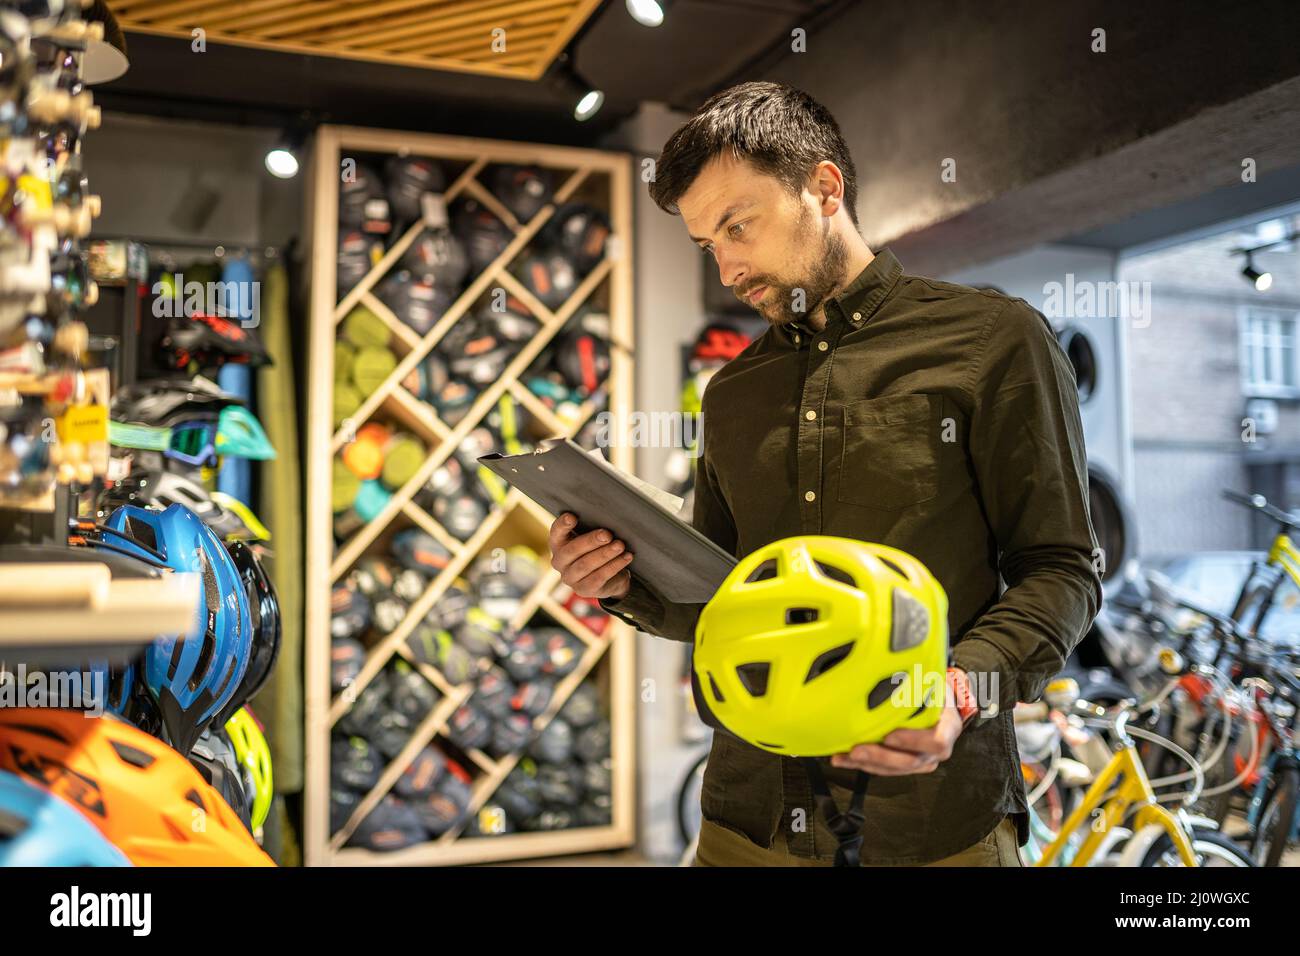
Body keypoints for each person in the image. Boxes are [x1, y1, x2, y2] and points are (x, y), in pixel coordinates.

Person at [547, 81, 1102, 866]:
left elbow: (1061, 569)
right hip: (749, 817)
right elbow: (721, 597)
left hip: (932, 821)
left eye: (739, 226)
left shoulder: (993, 340)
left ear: (824, 187)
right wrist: (619, 581)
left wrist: (958, 690)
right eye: (709, 245)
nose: (730, 267)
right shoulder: (734, 392)